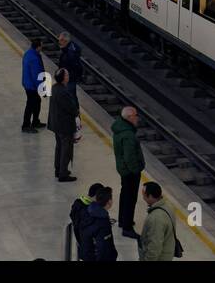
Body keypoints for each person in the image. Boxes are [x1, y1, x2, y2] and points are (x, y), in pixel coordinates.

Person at [111, 106, 145, 239]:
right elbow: (129, 157)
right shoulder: (128, 135)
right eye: (136, 115)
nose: (137, 118)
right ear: (129, 117)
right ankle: (127, 227)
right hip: (130, 171)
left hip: (123, 169)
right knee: (131, 198)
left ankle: (123, 219)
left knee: (125, 194)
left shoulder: (120, 128)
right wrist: (136, 170)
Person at [47, 68, 78, 182]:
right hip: (64, 125)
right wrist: (76, 112)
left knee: (59, 147)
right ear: (64, 78)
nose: (68, 76)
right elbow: (71, 109)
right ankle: (63, 174)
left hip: (56, 123)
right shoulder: (64, 92)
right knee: (66, 148)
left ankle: (58, 169)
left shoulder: (55, 88)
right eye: (67, 75)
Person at [76, 186, 118, 262]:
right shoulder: (103, 222)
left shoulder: (87, 211)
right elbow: (103, 249)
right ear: (109, 201)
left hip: (86, 255)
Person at [139, 181, 177, 261]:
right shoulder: (168, 205)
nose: (143, 198)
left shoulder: (156, 218)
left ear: (150, 196)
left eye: (144, 196)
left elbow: (154, 246)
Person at [70, 183, 105, 259]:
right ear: (96, 196)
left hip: (80, 242)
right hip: (89, 249)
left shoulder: (77, 203)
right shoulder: (90, 213)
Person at [21, 40, 46, 132]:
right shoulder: (34, 58)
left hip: (28, 83)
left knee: (36, 102)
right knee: (31, 104)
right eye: (41, 46)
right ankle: (26, 125)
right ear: (38, 47)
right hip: (32, 85)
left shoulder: (29, 53)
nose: (42, 48)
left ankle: (35, 121)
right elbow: (36, 75)